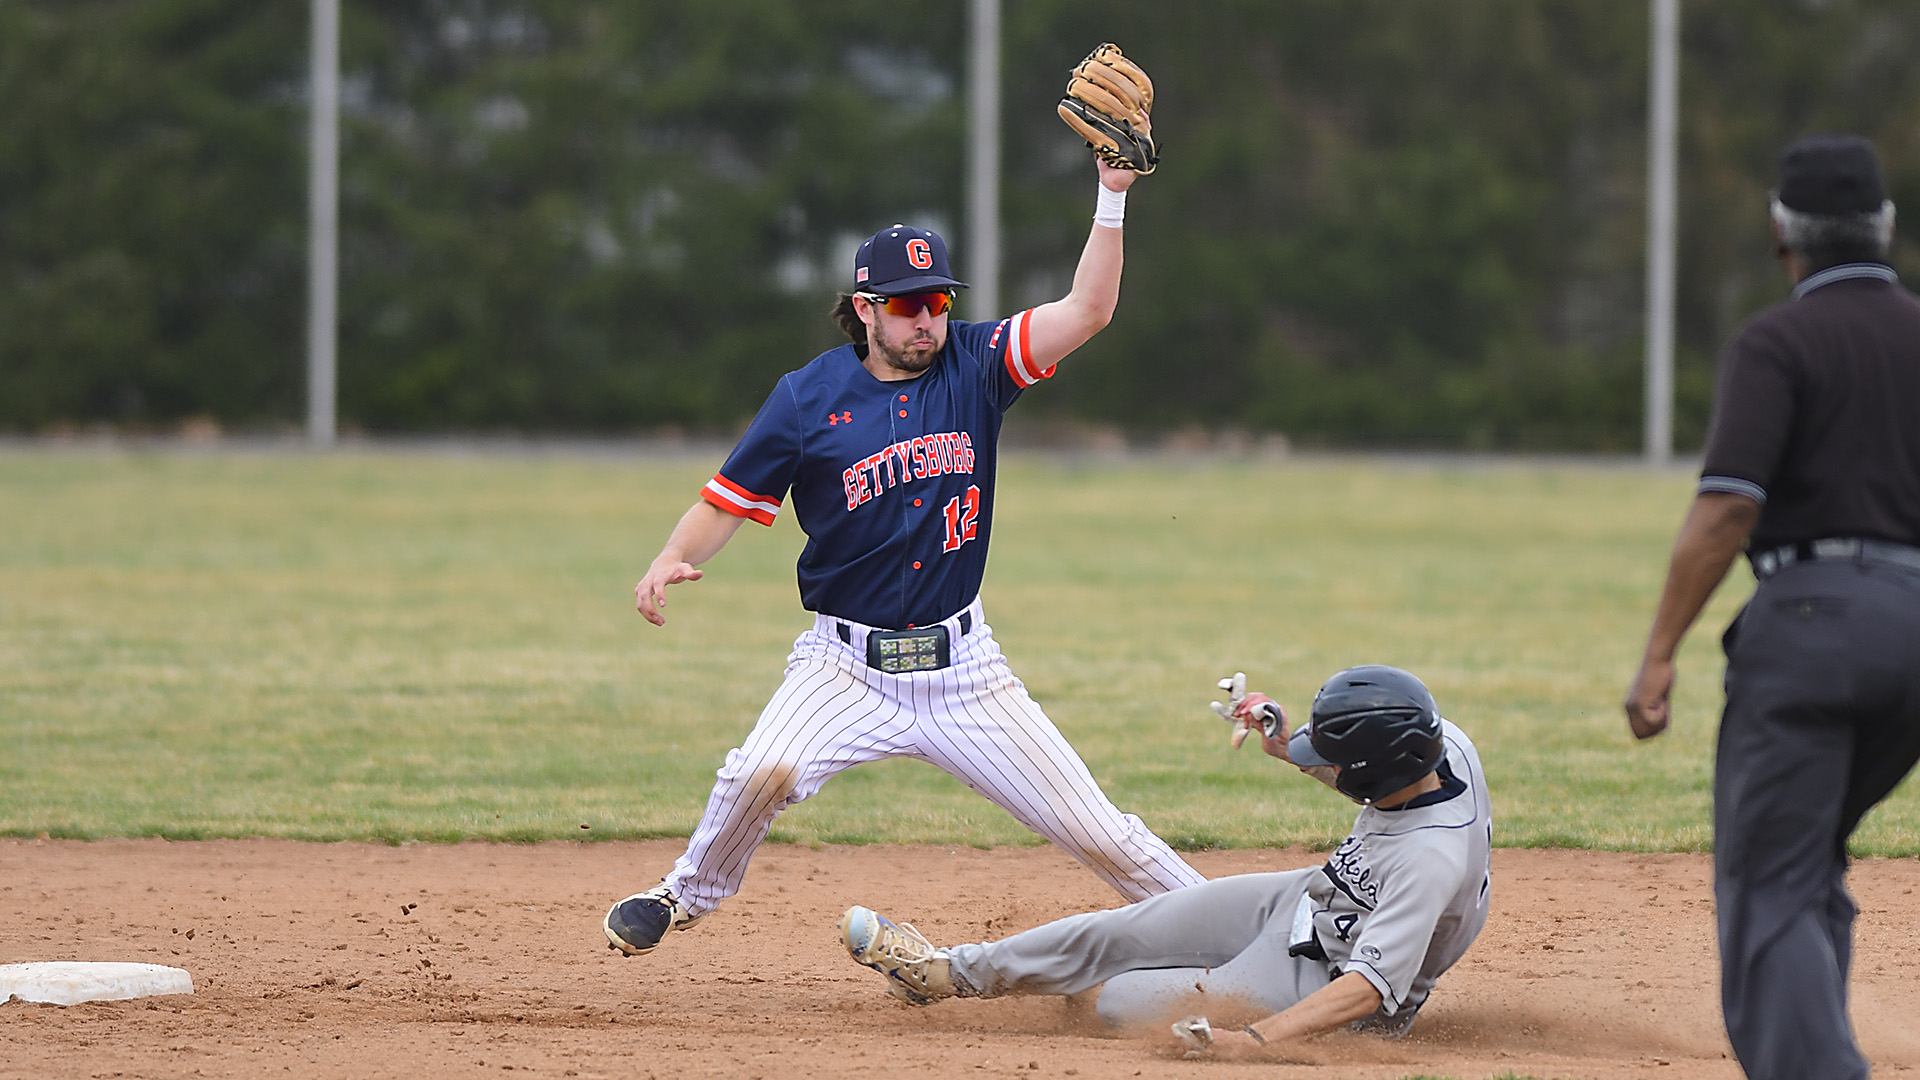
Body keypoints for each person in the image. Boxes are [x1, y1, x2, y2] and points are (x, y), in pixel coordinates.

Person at [602, 158, 1207, 958]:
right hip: (844, 667)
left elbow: (1088, 310)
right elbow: (727, 502)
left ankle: (1242, 928)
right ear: (865, 310)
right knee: (760, 771)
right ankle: (683, 894)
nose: (928, 320)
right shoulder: (806, 399)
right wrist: (671, 555)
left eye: (939, 302)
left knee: (1102, 832)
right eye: (908, 305)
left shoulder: (977, 363)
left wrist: (1112, 197)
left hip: (966, 672)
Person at [1623, 134, 1920, 1080]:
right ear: (1885, 227)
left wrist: (1660, 652)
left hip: (1811, 630)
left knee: (1770, 878)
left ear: (1781, 232)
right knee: (1808, 855)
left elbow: (1727, 508)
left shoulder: (1778, 342)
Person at [839, 666, 1493, 1056]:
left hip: (1328, 982)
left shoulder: (1428, 862)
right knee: (1126, 928)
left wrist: (1254, 1042)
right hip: (1307, 901)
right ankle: (942, 973)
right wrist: (1278, 738)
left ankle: (1116, 982)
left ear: (1373, 776)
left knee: (1118, 1000)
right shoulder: (1438, 746)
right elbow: (1361, 758)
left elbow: (1367, 989)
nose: (1318, 762)